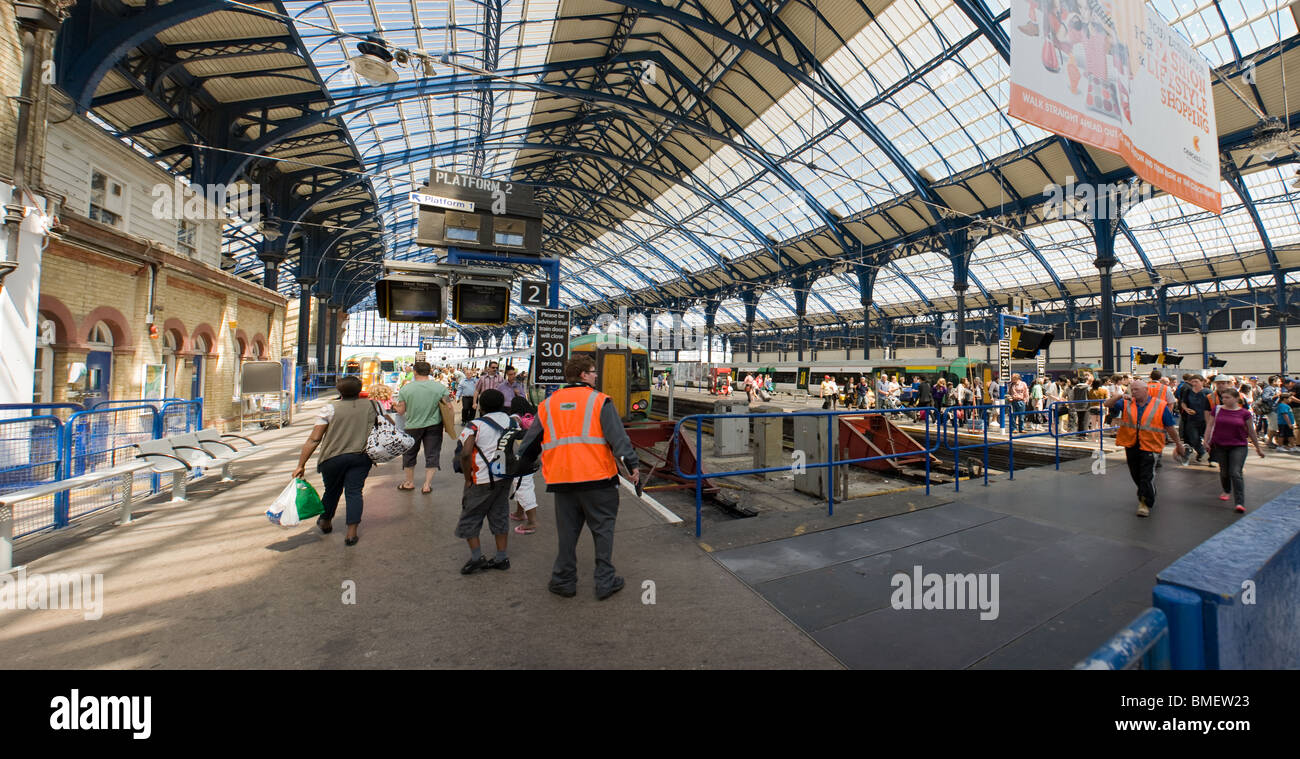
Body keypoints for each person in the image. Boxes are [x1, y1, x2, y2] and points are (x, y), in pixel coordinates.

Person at [515, 357, 640, 600]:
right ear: (583, 375)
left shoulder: (548, 404)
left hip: (562, 481)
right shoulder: (599, 401)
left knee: (568, 533)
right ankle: (604, 582)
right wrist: (632, 466)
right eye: (593, 372)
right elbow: (619, 440)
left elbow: (530, 444)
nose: (596, 376)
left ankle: (563, 581)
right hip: (598, 480)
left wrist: (523, 467)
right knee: (603, 531)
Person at [292, 375, 377, 546]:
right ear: (360, 390)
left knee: (332, 490)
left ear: (339, 390)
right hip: (361, 456)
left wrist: (301, 464)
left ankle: (326, 520)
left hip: (333, 457)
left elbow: (315, 439)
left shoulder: (330, 409)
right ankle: (351, 533)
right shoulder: (371, 406)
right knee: (354, 492)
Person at [1105, 381, 1186, 518]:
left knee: (1146, 474)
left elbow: (1170, 427)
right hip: (1131, 443)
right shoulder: (1126, 403)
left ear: (1145, 390)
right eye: (1132, 389)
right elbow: (1107, 404)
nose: (1133, 392)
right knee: (1135, 473)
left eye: (1136, 389)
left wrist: (1178, 444)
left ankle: (1144, 503)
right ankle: (1148, 491)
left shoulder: (1160, 405)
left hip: (1151, 445)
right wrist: (1119, 396)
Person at [455, 389, 514, 574]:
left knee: (470, 517)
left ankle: (476, 558)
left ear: (482, 405)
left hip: (480, 479)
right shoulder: (511, 420)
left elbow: (465, 453)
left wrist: (467, 478)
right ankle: (501, 557)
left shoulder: (475, 425)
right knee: (500, 514)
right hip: (503, 476)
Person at [1203, 387, 1265, 514]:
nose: (1224, 400)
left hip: (1238, 445)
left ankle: (1239, 502)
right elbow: (1210, 425)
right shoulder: (1217, 410)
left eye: (1227, 397)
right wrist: (1206, 440)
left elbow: (1251, 431)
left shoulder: (1244, 413)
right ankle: (1226, 490)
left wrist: (1258, 448)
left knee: (1235, 472)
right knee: (1224, 472)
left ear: (1237, 398)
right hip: (1220, 444)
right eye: (1223, 397)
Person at [394, 361, 448, 494]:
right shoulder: (440, 388)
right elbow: (449, 407)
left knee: (409, 454)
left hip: (412, 426)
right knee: (432, 454)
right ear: (429, 371)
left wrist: (394, 405)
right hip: (434, 426)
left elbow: (401, 411)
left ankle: (409, 482)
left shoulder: (406, 389)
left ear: (415, 372)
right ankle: (427, 485)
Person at [507, 397, 542, 535]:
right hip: (535, 455)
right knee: (523, 483)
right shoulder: (535, 415)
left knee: (522, 486)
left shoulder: (514, 418)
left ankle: (531, 522)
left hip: (521, 456)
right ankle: (519, 512)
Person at [1177, 375, 1212, 463]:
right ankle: (1202, 452)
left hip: (1205, 419)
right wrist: (1186, 409)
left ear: (1202, 382)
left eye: (1196, 381)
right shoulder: (1188, 391)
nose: (1194, 383)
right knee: (1193, 438)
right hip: (1192, 419)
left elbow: (1212, 405)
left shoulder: (1208, 392)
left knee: (1209, 438)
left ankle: (1212, 457)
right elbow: (1183, 403)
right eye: (1192, 382)